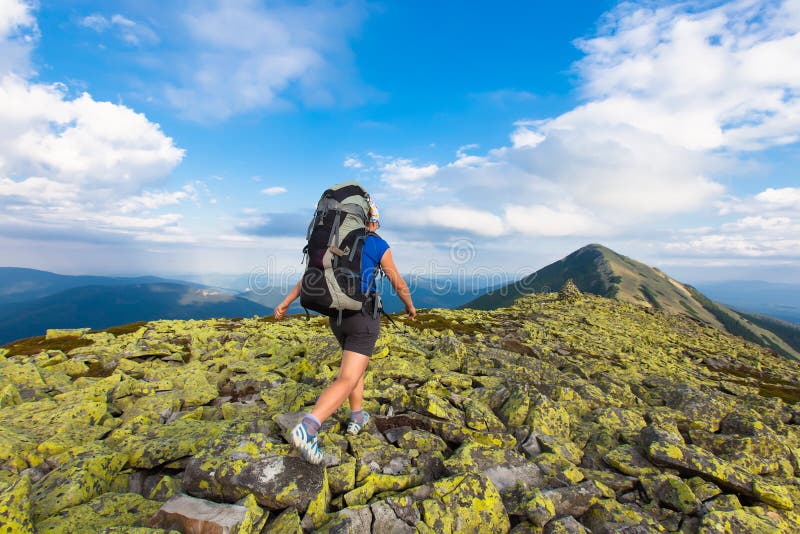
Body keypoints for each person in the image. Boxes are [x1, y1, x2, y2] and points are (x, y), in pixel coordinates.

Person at [273, 199, 416, 464]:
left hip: (337, 319)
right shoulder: (376, 243)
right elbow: (397, 280)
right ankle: (309, 428)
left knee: (354, 369)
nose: (375, 225)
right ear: (370, 220)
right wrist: (409, 305)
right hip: (363, 318)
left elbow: (309, 278)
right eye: (376, 221)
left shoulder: (335, 243)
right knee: (347, 377)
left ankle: (356, 417)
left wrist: (284, 303)